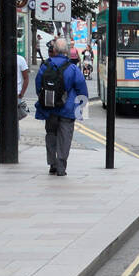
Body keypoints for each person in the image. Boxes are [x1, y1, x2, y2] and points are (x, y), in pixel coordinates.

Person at [33, 38, 88, 177]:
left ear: (55, 50)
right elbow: (82, 89)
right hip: (67, 109)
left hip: (49, 107)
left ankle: (52, 164)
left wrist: (45, 99)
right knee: (65, 137)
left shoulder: (45, 66)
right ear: (67, 52)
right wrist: (81, 107)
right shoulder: (72, 68)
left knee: (51, 135)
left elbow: (38, 85)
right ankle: (61, 166)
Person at [0, 46, 31, 132]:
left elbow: (26, 78)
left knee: (13, 119)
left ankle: (14, 139)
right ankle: (6, 134)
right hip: (1, 94)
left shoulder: (20, 60)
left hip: (16, 94)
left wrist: (21, 93)